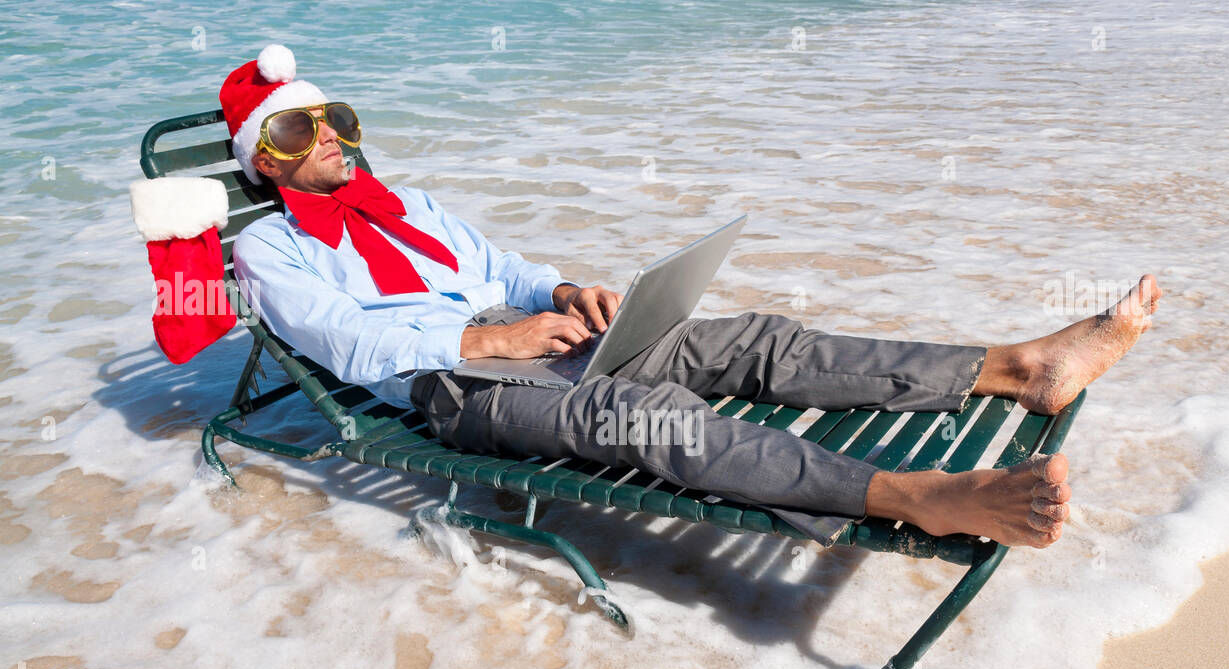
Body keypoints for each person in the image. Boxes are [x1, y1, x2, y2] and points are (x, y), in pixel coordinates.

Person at [226, 46, 1161, 547]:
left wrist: (559, 291)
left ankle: (1019, 367)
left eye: (337, 119)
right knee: (655, 419)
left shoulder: (405, 203)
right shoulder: (269, 247)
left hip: (536, 336)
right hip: (456, 384)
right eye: (304, 128)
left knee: (754, 340)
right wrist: (500, 345)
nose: (334, 137)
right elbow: (346, 342)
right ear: (264, 157)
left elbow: (500, 267)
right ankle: (917, 496)